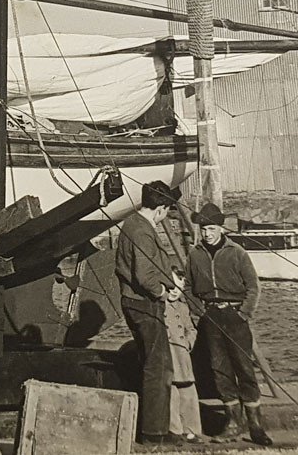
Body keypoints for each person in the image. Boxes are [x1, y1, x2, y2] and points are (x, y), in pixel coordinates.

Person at [185, 202, 273, 446]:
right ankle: (233, 422)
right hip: (210, 318)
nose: (207, 233)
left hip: (235, 317)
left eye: (211, 229)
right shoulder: (195, 254)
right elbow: (188, 288)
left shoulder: (237, 253)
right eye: (203, 229)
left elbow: (253, 287)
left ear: (220, 229)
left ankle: (255, 426)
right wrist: (199, 312)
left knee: (244, 368)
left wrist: (244, 313)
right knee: (219, 369)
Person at [114, 180, 184, 446]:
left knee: (152, 364)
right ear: (160, 209)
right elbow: (145, 275)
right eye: (166, 211)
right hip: (144, 305)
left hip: (134, 303)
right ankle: (154, 434)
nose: (165, 215)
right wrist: (163, 292)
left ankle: (149, 427)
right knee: (160, 368)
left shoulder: (132, 224)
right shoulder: (142, 230)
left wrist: (168, 282)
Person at [165, 268, 204, 444]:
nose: (173, 291)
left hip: (183, 353)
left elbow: (191, 329)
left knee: (188, 391)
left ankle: (192, 430)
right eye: (170, 286)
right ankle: (175, 429)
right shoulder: (160, 306)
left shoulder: (183, 307)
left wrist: (189, 342)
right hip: (168, 351)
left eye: (178, 287)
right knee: (171, 392)